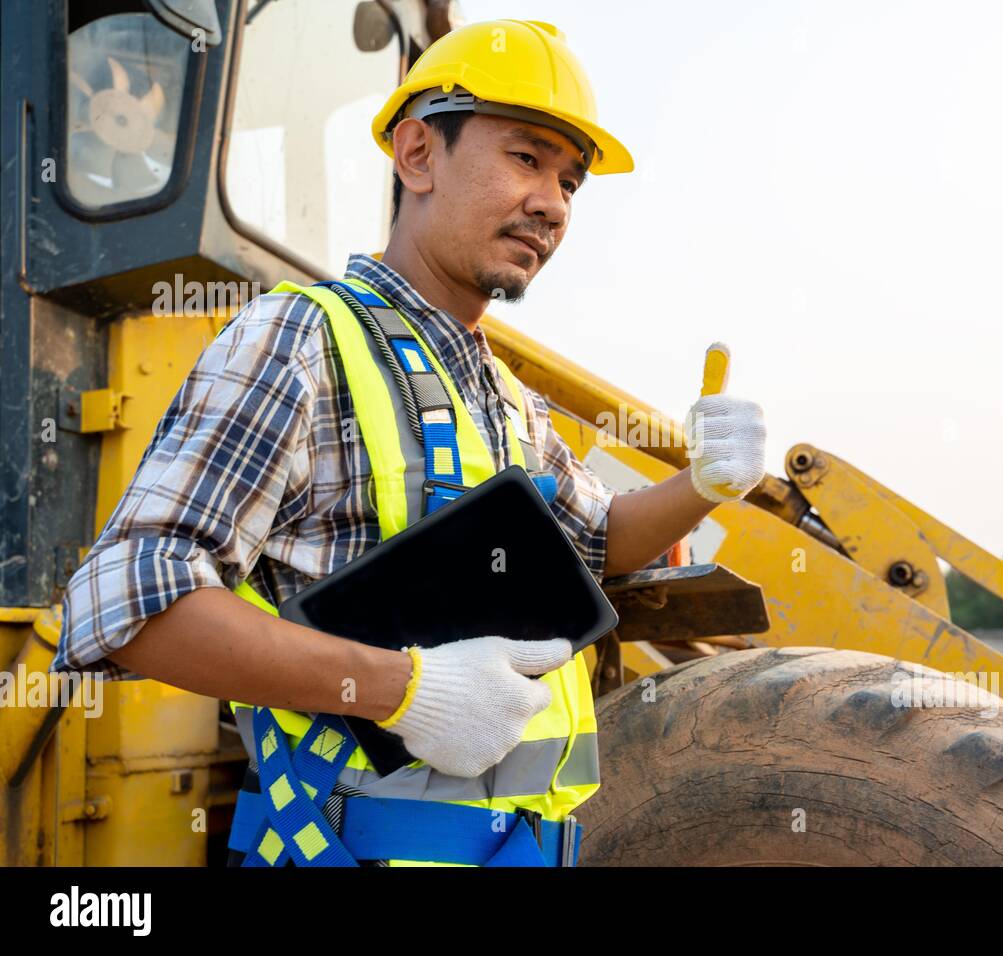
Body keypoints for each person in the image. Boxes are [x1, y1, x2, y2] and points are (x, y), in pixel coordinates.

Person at [54, 19, 766, 867]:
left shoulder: (503, 395)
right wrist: (404, 693)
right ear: (419, 155)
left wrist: (705, 484)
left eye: (571, 182)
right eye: (527, 158)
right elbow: (127, 604)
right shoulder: (299, 340)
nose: (553, 203)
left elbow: (597, 541)